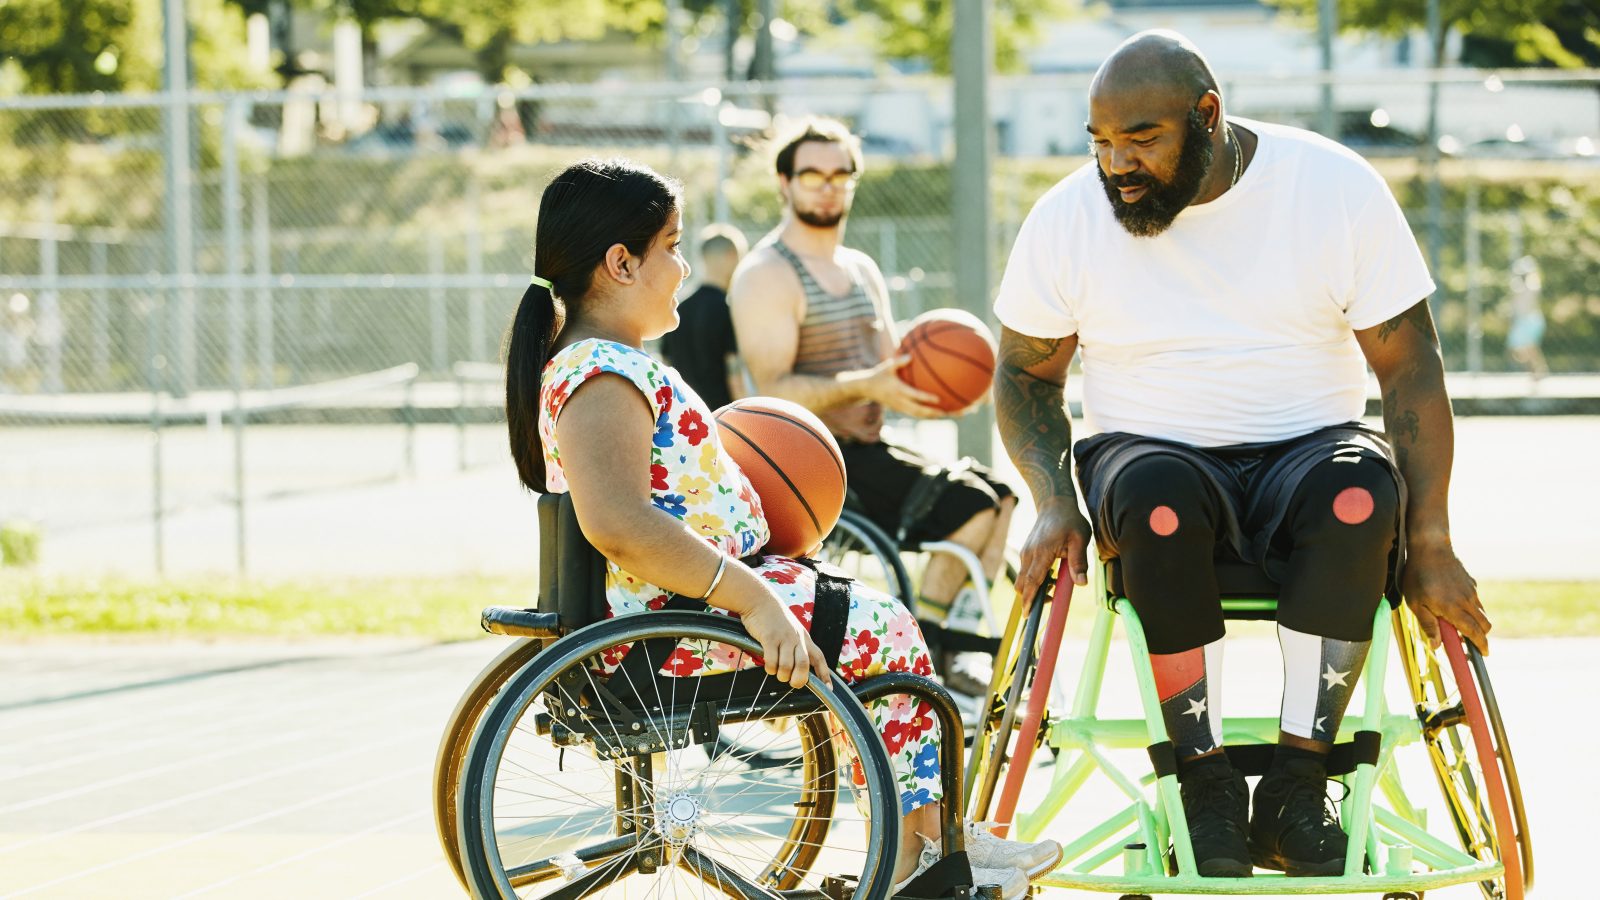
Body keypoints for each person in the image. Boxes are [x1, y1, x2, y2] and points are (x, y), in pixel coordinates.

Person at [992, 32, 1492, 879]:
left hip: (1309, 446)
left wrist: (1434, 542)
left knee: (1361, 496)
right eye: (1101, 141)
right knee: (1156, 496)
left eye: (1141, 139)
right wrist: (1050, 498)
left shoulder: (1330, 187)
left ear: (1208, 116)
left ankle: (1300, 785)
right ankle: (1203, 781)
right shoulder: (1070, 216)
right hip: (1147, 452)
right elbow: (1023, 371)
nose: (1117, 164)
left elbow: (1409, 363)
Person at [503, 157, 1060, 898]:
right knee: (887, 633)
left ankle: (933, 837)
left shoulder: (606, 363)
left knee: (868, 629)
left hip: (684, 613)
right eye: (670, 246)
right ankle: (917, 857)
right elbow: (620, 524)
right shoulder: (601, 372)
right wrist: (755, 598)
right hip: (675, 630)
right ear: (620, 263)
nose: (681, 264)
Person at [728, 118, 1019, 697]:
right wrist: (870, 384)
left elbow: (891, 367)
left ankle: (950, 636)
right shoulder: (768, 273)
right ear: (784, 182)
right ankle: (931, 650)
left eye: (841, 174)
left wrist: (939, 388)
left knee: (1002, 496)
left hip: (871, 448)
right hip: (811, 461)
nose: (828, 186)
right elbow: (774, 388)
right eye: (813, 174)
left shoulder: (860, 268)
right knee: (970, 508)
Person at [659, 224, 748, 410]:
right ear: (731, 255)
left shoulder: (678, 309)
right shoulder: (728, 309)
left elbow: (665, 364)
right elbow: (735, 376)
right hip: (722, 416)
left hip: (684, 416)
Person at [1506, 254, 1548, 383]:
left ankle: (1538, 372)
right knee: (1520, 350)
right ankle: (1536, 371)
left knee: (1530, 349)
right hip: (1521, 321)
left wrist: (1531, 272)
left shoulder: (1532, 286)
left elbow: (1533, 285)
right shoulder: (1517, 287)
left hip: (1530, 320)